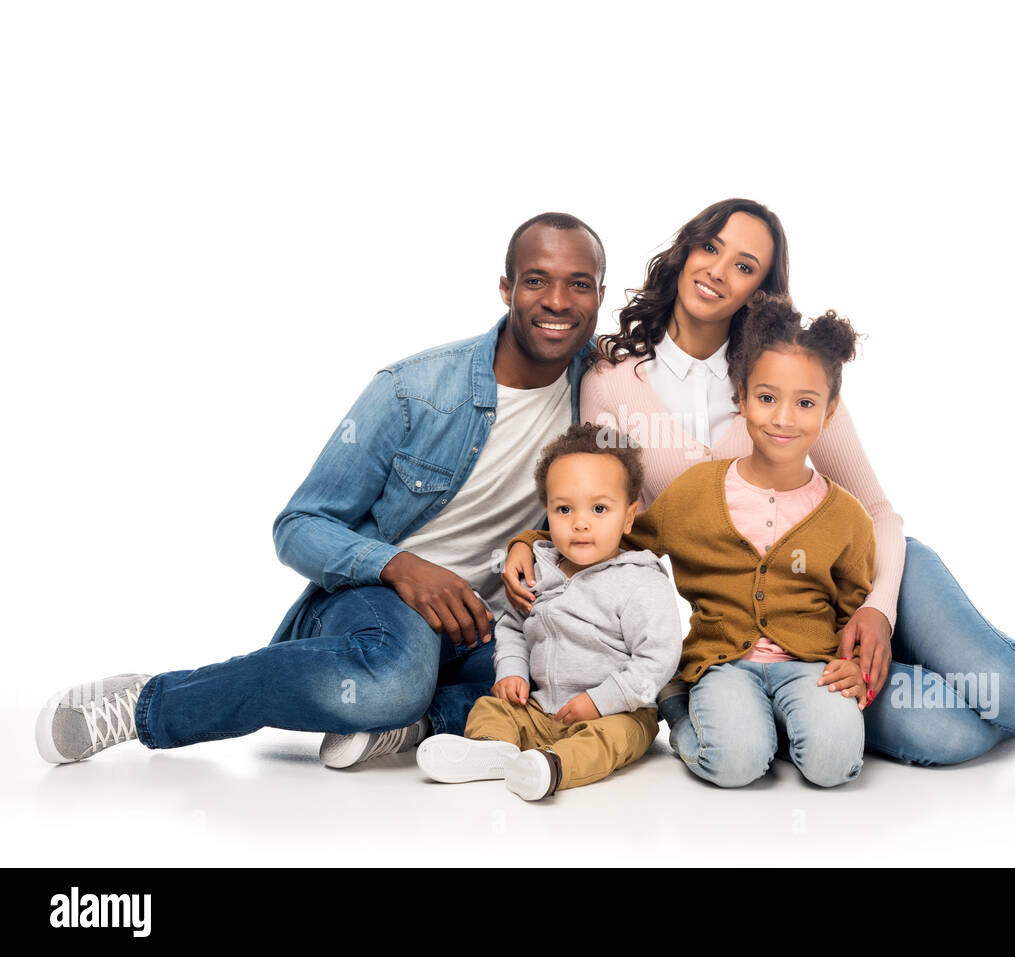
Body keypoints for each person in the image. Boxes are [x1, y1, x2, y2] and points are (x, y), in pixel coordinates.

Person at [503, 198, 1015, 771]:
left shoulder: (788, 372)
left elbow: (880, 510)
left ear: (758, 289)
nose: (718, 270)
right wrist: (535, 539)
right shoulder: (609, 376)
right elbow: (606, 506)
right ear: (684, 251)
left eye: (745, 265)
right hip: (798, 641)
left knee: (1004, 688)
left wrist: (878, 609)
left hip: (879, 574)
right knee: (953, 735)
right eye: (711, 247)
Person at [35, 212, 610, 770]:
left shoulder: (603, 384)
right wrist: (402, 567)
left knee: (576, 678)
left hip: (487, 624)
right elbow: (299, 525)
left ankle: (407, 724)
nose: (558, 302)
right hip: (381, 602)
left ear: (600, 296)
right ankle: (146, 703)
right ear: (506, 287)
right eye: (537, 280)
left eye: (578, 285)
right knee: (394, 678)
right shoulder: (414, 390)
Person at [511, 294, 875, 787]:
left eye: (805, 403)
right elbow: (619, 536)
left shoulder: (847, 517)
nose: (783, 418)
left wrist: (854, 667)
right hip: (722, 663)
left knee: (833, 767)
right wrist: (532, 539)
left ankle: (778, 728)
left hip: (812, 665)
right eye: (767, 398)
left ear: (829, 412)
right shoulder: (697, 493)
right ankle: (685, 712)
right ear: (741, 398)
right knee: (734, 766)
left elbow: (855, 605)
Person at [417, 423, 681, 800]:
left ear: (628, 516)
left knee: (610, 740)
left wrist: (601, 700)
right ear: (547, 513)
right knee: (492, 707)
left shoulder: (639, 581)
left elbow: (658, 658)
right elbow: (511, 627)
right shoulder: (541, 572)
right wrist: (512, 672)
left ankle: (551, 767)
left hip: (618, 712)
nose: (580, 522)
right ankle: (492, 750)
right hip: (541, 708)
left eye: (600, 508)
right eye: (564, 509)